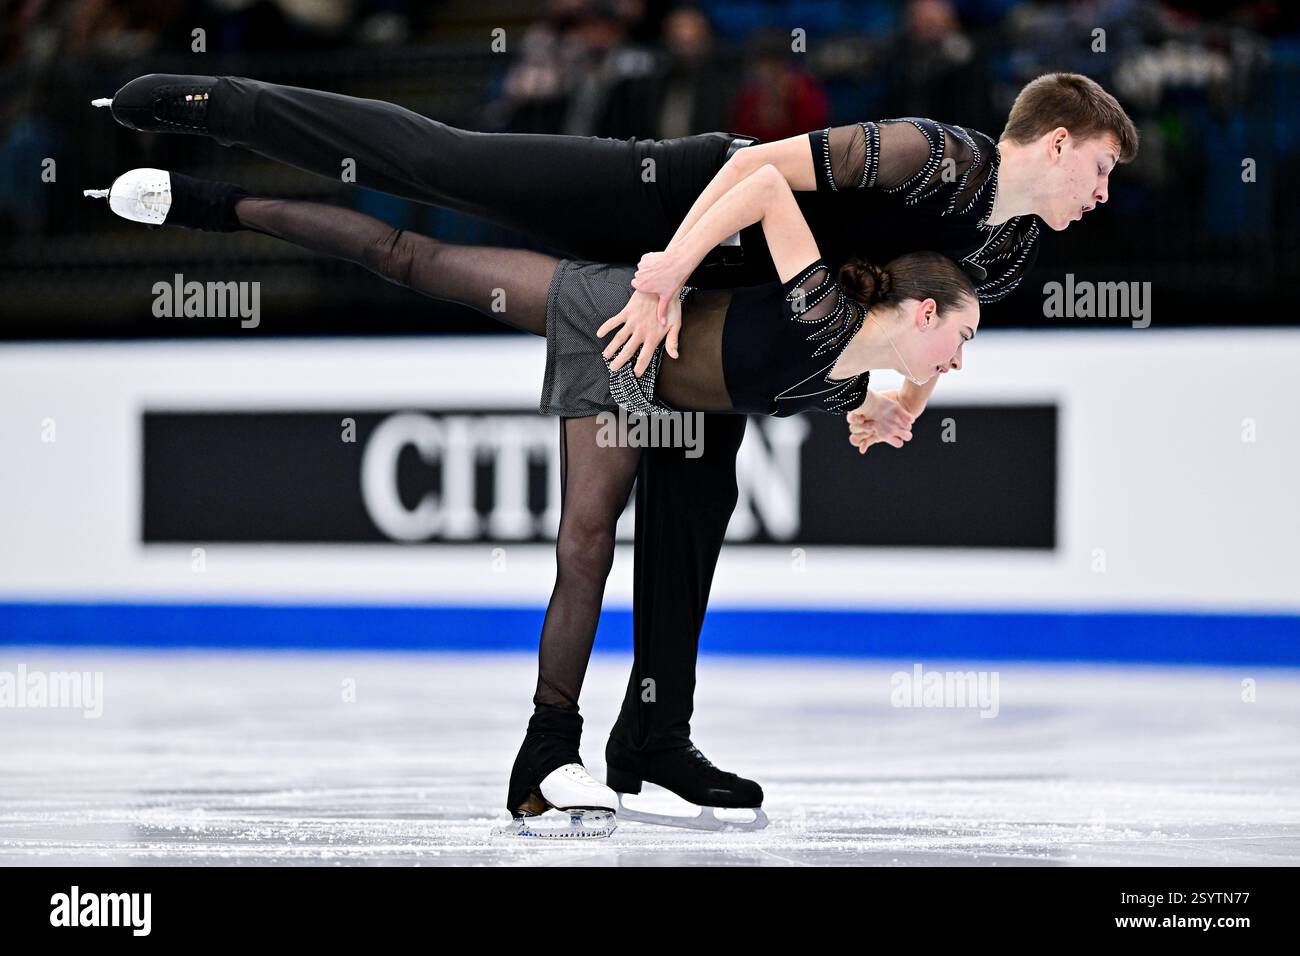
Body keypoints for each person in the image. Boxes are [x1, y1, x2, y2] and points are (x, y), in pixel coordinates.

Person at [93, 69, 1137, 830]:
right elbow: (760, 171)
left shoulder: (1006, 250)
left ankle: (649, 736)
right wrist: (660, 273)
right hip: (671, 207)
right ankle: (220, 107)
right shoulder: (936, 155)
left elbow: (925, 314)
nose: (1101, 193)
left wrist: (893, 397)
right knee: (447, 165)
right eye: (1099, 168)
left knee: (695, 513)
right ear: (1055, 141)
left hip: (741, 308)